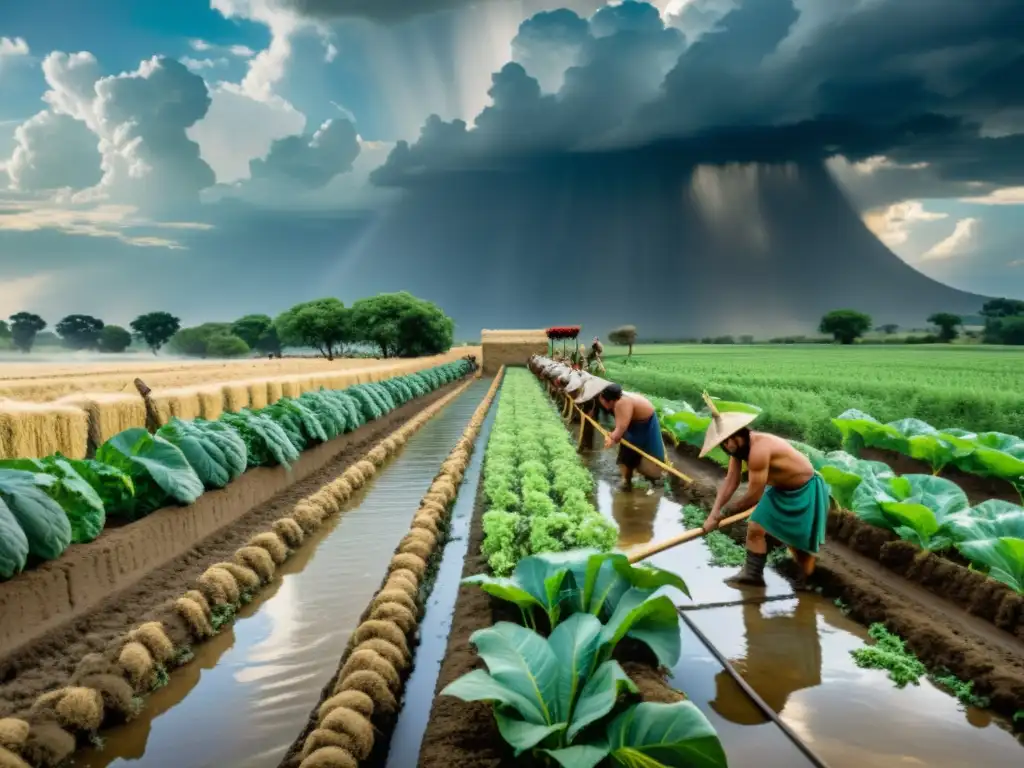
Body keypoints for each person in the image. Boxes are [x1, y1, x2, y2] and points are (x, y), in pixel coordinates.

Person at [699, 392, 828, 587]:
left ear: (741, 432)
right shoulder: (737, 450)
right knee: (755, 527)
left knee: (798, 542)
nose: (729, 445)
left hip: (803, 489)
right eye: (724, 443)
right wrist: (713, 513)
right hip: (778, 489)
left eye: (731, 439)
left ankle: (807, 578)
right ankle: (752, 575)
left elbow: (754, 495)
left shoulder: (759, 449)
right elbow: (730, 481)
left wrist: (725, 513)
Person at [597, 383, 666, 493]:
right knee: (629, 448)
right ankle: (631, 476)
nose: (603, 405)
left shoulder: (621, 403)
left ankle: (627, 481)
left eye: (603, 402)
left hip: (643, 424)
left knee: (629, 450)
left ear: (610, 401)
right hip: (638, 422)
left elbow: (620, 429)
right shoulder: (619, 398)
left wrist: (611, 438)